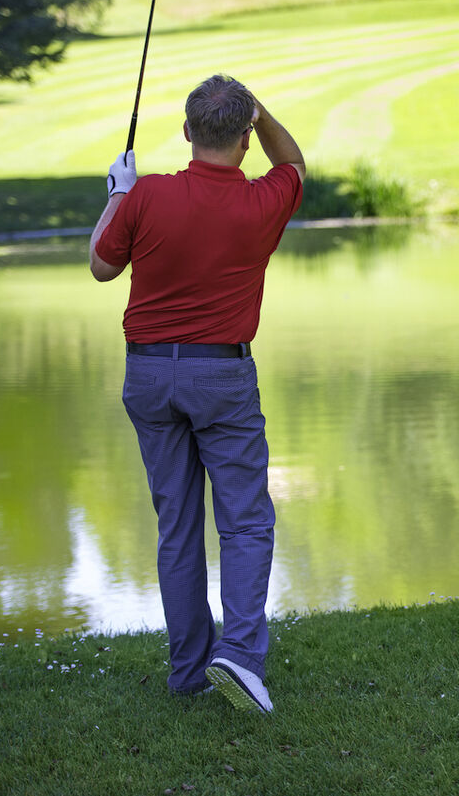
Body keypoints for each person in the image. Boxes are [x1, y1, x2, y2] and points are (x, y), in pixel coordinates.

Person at [88, 74, 305, 713]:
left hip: (149, 375)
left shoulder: (146, 195)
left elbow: (101, 264)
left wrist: (117, 194)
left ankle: (188, 672)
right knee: (243, 522)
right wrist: (261, 113)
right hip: (222, 377)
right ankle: (237, 657)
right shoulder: (266, 197)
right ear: (244, 139)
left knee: (177, 525)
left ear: (186, 133)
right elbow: (292, 161)